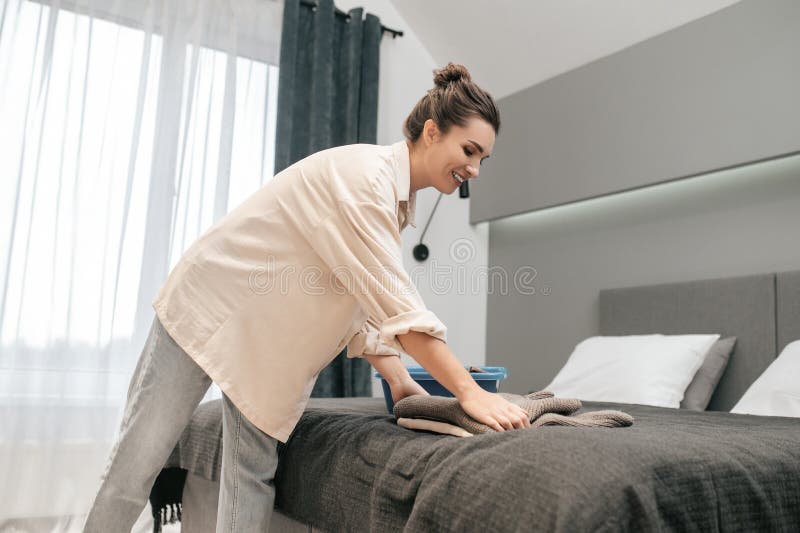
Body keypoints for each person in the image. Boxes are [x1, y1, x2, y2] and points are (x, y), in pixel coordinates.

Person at [83, 62, 530, 533]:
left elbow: (359, 301)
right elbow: (401, 308)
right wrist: (469, 392)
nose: (476, 169)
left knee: (252, 474)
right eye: (470, 150)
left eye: (484, 159)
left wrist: (397, 379)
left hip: (265, 340)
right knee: (140, 458)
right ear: (433, 132)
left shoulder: (393, 201)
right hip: (212, 303)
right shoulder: (365, 182)